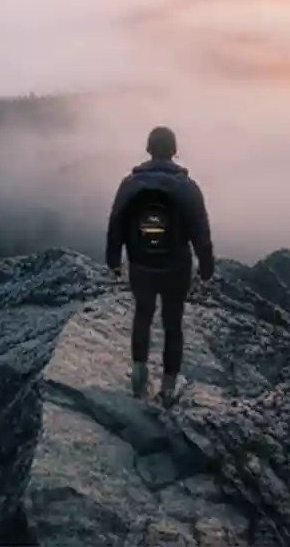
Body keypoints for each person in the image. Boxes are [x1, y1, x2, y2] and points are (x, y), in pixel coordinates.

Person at [106, 126, 214, 404]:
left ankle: (138, 376)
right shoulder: (187, 187)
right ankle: (168, 387)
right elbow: (201, 232)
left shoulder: (130, 184)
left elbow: (116, 223)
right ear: (174, 151)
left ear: (148, 149)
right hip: (175, 265)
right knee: (172, 322)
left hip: (140, 262)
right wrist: (206, 270)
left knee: (142, 314)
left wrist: (114, 261)